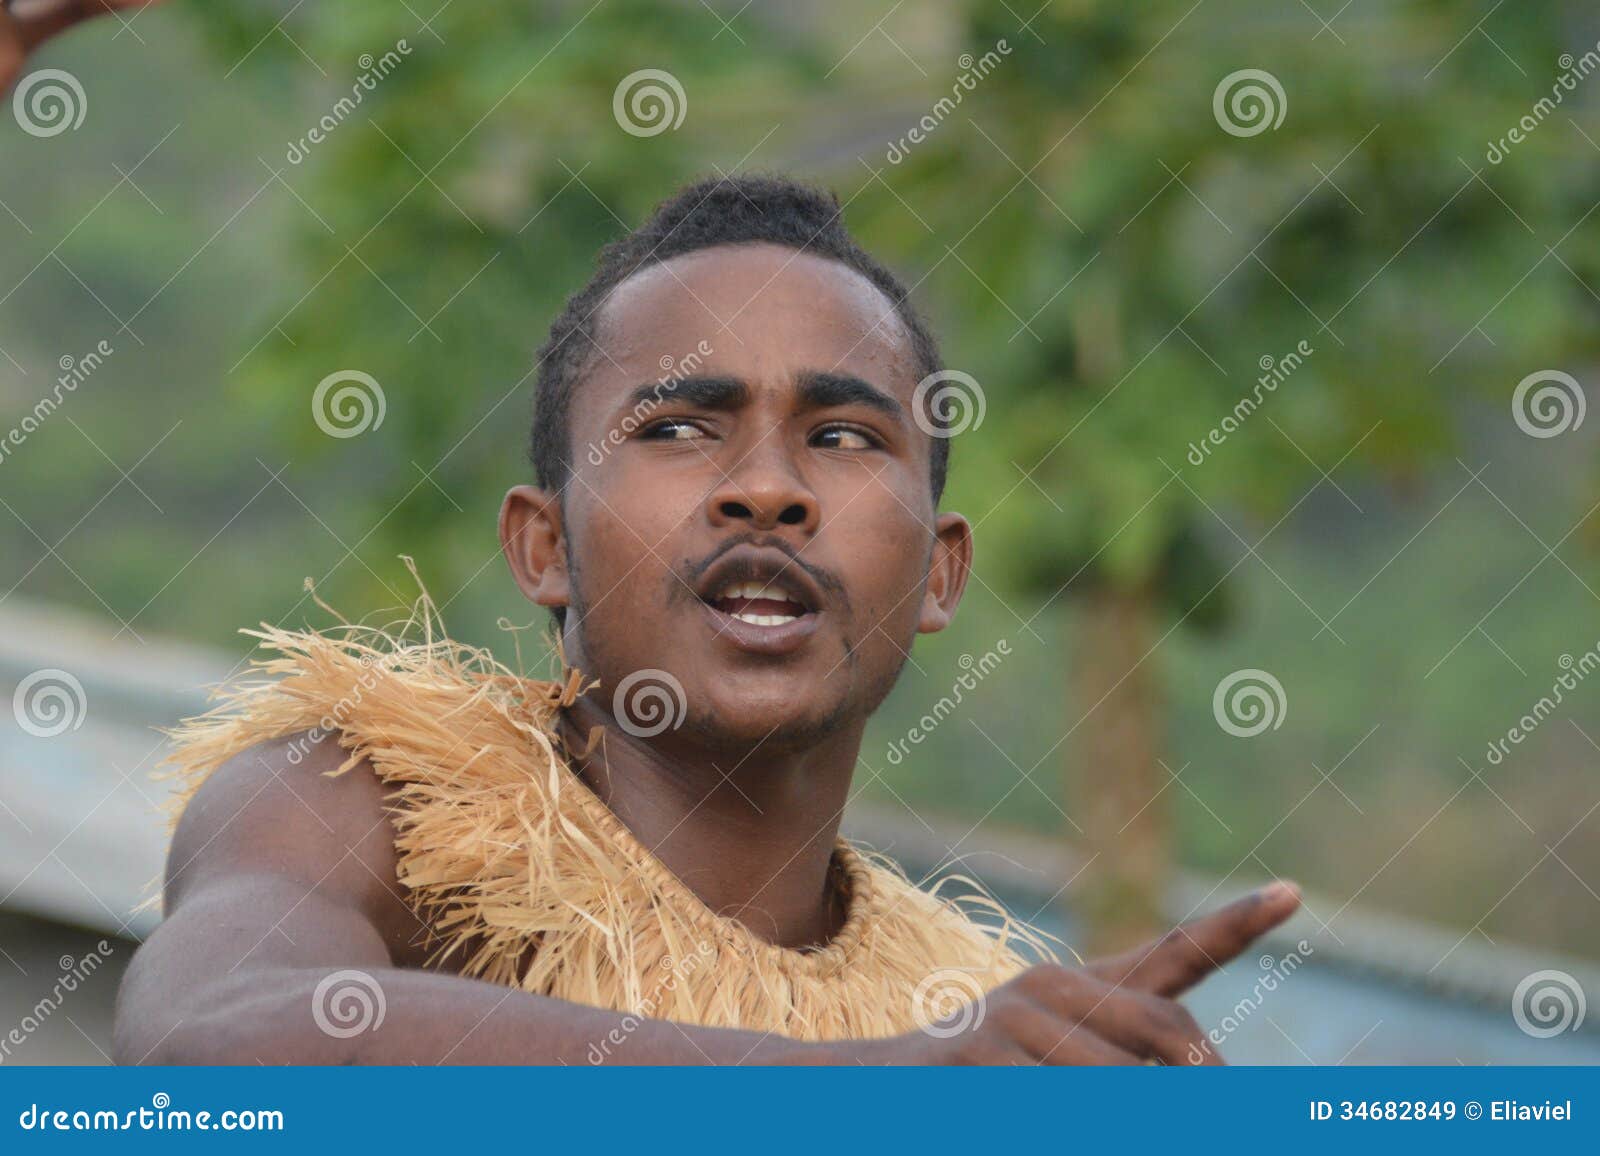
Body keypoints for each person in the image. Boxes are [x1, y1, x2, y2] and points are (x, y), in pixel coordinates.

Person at [10, 3, 1302, 1065]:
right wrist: (865, 1089)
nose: (767, 491)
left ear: (939, 573)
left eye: (844, 439)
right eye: (683, 428)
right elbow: (212, 1038)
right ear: (543, 548)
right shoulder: (366, 807)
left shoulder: (964, 1009)